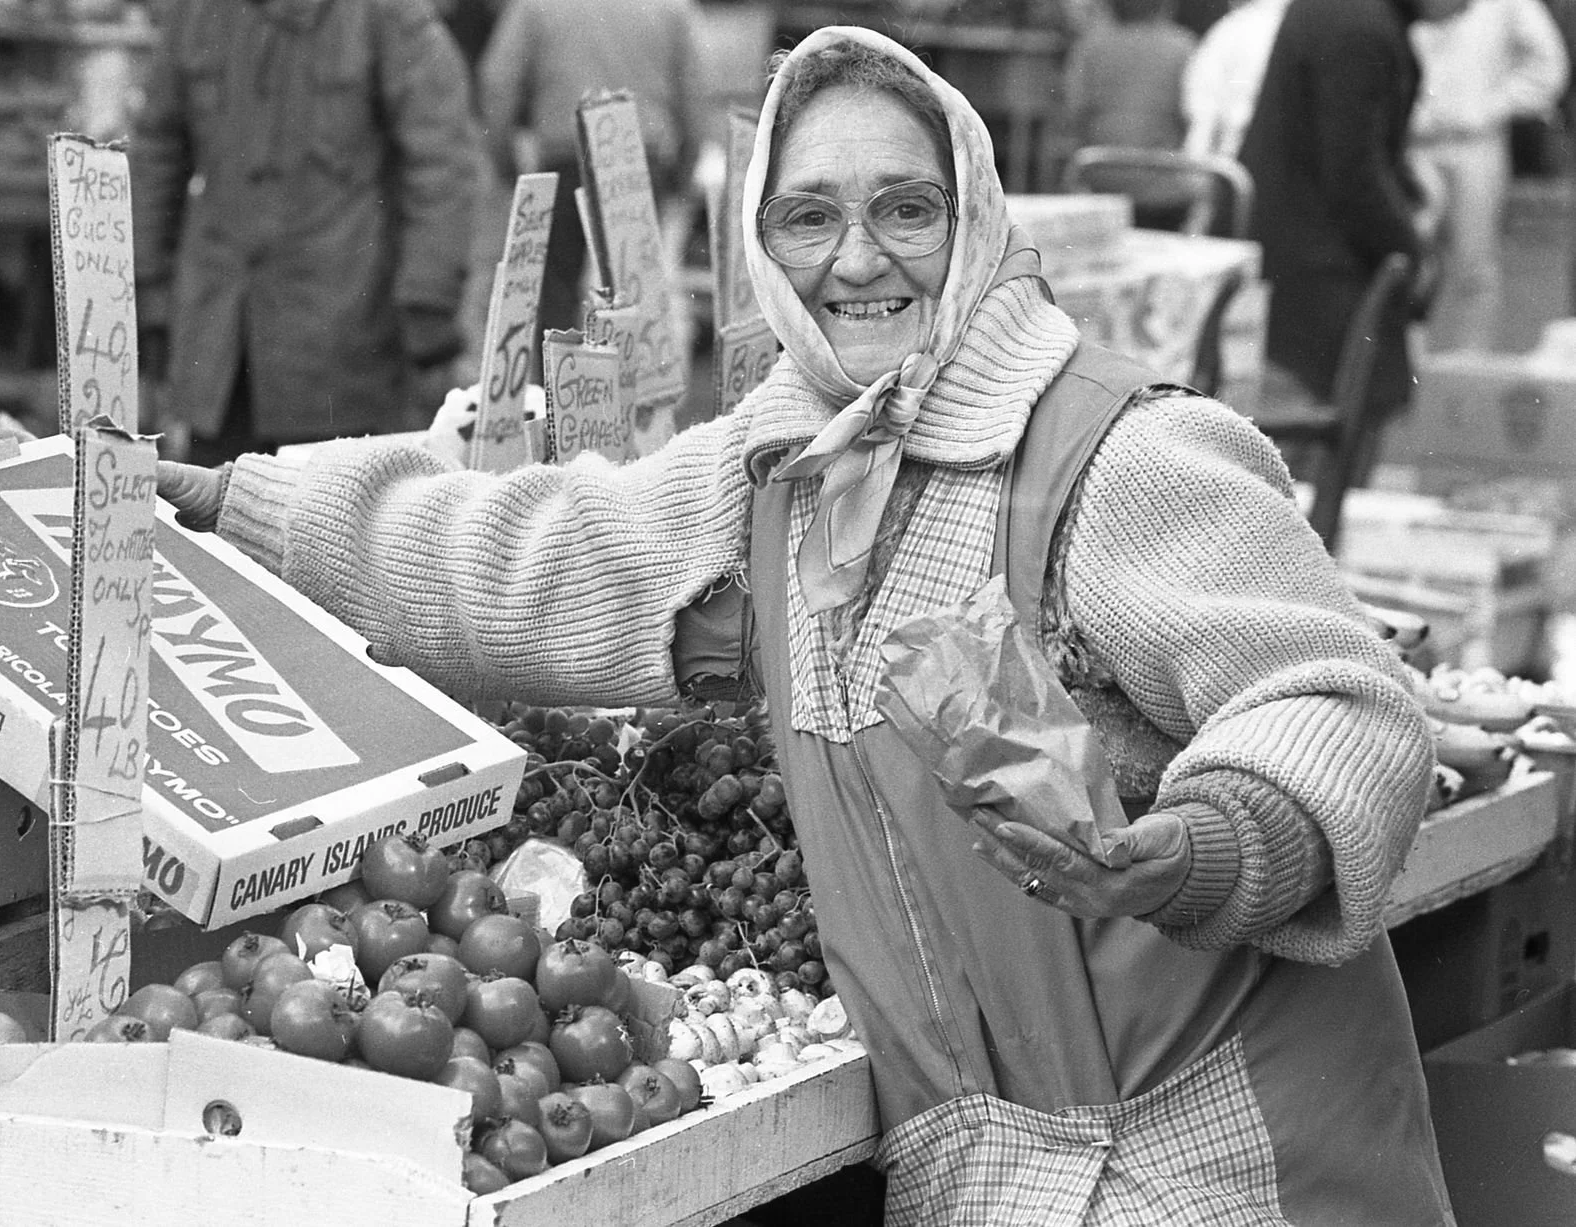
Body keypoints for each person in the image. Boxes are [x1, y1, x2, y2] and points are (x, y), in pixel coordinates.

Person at [160, 26, 1453, 1223]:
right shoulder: (784, 472)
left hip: (1231, 1160)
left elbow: (1334, 701)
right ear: (763, 249)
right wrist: (248, 506)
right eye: (809, 217)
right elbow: (532, 558)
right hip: (997, 1181)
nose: (858, 258)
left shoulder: (1117, 455)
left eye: (906, 209)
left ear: (976, 217)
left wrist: (1203, 850)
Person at [131, 0, 481, 465]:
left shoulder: (386, 15)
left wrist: (428, 305)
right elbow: (156, 151)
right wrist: (149, 291)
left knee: (335, 502)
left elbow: (440, 161)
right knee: (214, 500)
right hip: (220, 346)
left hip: (344, 348)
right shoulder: (197, 14)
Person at [1238, 0, 1429, 484]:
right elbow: (1353, 175)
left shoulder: (1349, 16)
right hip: (1320, 274)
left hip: (1299, 261)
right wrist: (1415, 253)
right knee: (1314, 456)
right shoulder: (1358, 27)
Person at [474, 0, 704, 334]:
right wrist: (682, 171)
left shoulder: (534, 6)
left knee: (555, 292)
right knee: (634, 291)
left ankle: (555, 368)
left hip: (562, 158)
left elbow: (498, 82)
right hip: (640, 162)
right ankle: (631, 365)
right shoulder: (672, 7)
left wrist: (505, 162)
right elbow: (695, 94)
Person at [1409, 0, 1570, 353]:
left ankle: (1469, 367)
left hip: (1475, 141)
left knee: (1475, 268)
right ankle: (1404, 368)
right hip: (1413, 141)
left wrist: (1492, 105)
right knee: (1409, 261)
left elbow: (1548, 64)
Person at [1060, 0, 1197, 154]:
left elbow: (1073, 109)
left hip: (1100, 160)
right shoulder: (1183, 46)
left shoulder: (1090, 46)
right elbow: (1194, 114)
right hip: (1163, 162)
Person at [1181, 0, 1292, 161]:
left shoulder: (1231, 29)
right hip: (1244, 155)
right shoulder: (1232, 29)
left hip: (1235, 153)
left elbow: (1201, 116)